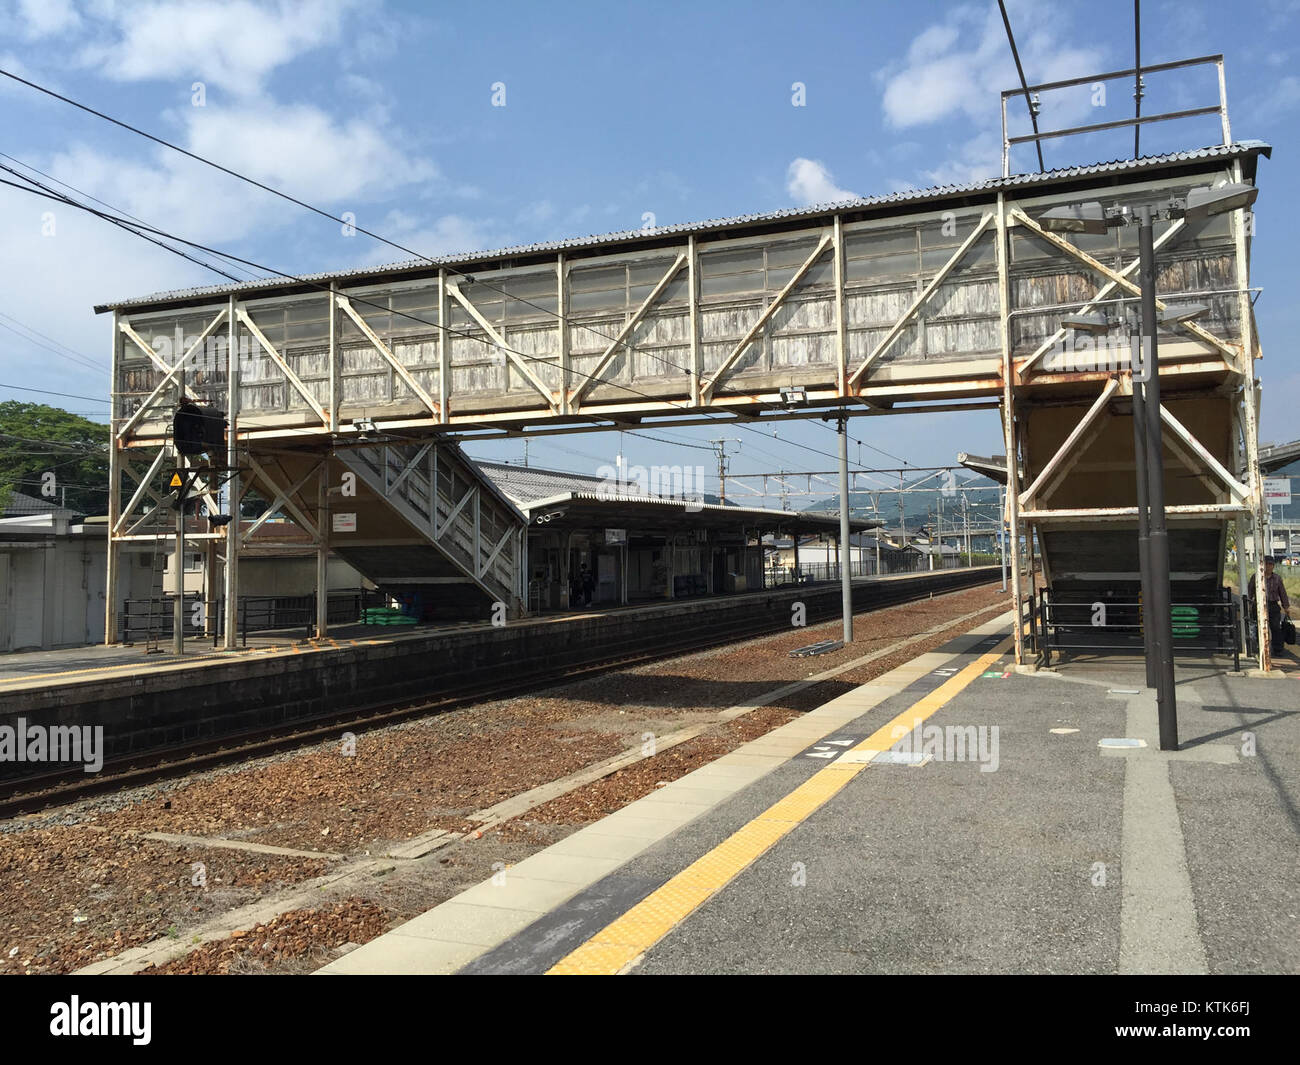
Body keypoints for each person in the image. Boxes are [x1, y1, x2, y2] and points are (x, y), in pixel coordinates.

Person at [1248, 555, 1291, 656]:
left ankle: (1278, 649)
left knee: (1276, 627)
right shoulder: (1256, 577)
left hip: (1273, 605)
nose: (1269, 566)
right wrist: (1250, 604)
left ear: (1273, 566)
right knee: (1259, 626)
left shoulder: (1277, 578)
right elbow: (1250, 591)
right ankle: (1261, 647)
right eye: (1267, 564)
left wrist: (1286, 607)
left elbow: (1282, 593)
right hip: (1258, 604)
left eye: (1271, 564)